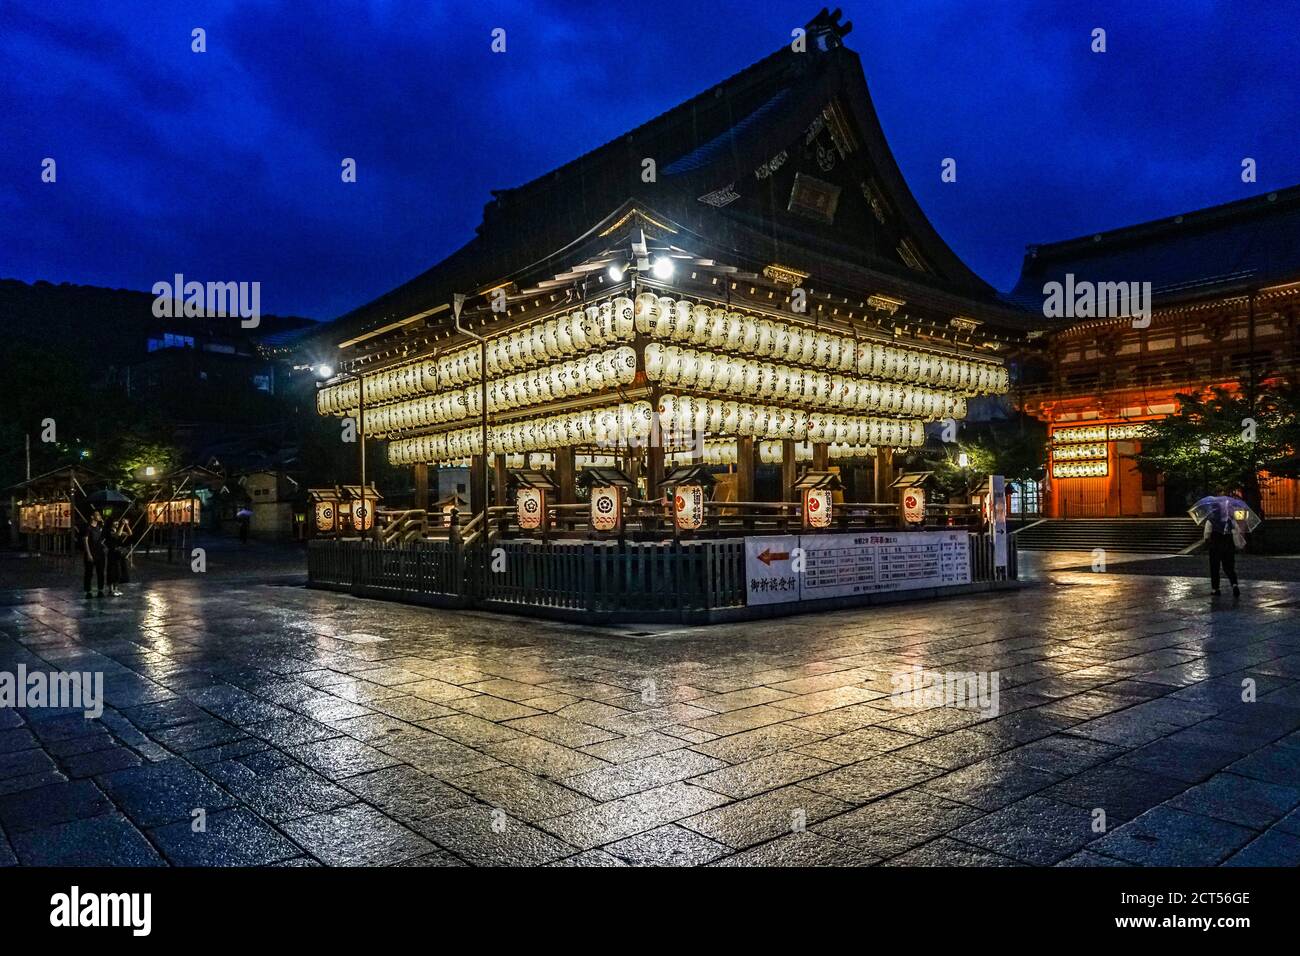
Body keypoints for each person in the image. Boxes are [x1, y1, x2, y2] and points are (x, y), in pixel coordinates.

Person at [1206, 495, 1242, 598]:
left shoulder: (1211, 520)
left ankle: (1215, 589)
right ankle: (1234, 584)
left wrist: (1209, 541)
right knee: (1229, 567)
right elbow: (1237, 530)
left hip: (1215, 547)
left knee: (1215, 568)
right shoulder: (1230, 521)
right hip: (1228, 546)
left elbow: (1207, 535)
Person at [82, 511, 107, 598]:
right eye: (97, 515)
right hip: (91, 552)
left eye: (99, 515)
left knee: (100, 572)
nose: (99, 516)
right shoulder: (88, 528)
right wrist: (88, 554)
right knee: (89, 573)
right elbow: (85, 541)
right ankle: (88, 591)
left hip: (100, 553)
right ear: (92, 517)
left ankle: (101, 590)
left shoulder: (100, 527)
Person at [106, 517, 130, 596]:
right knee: (111, 571)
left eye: (117, 522)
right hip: (112, 553)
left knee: (118, 572)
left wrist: (126, 525)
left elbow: (129, 533)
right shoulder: (109, 531)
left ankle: (116, 589)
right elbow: (117, 535)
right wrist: (122, 524)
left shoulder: (118, 530)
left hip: (118, 554)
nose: (117, 524)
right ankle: (111, 590)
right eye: (115, 522)